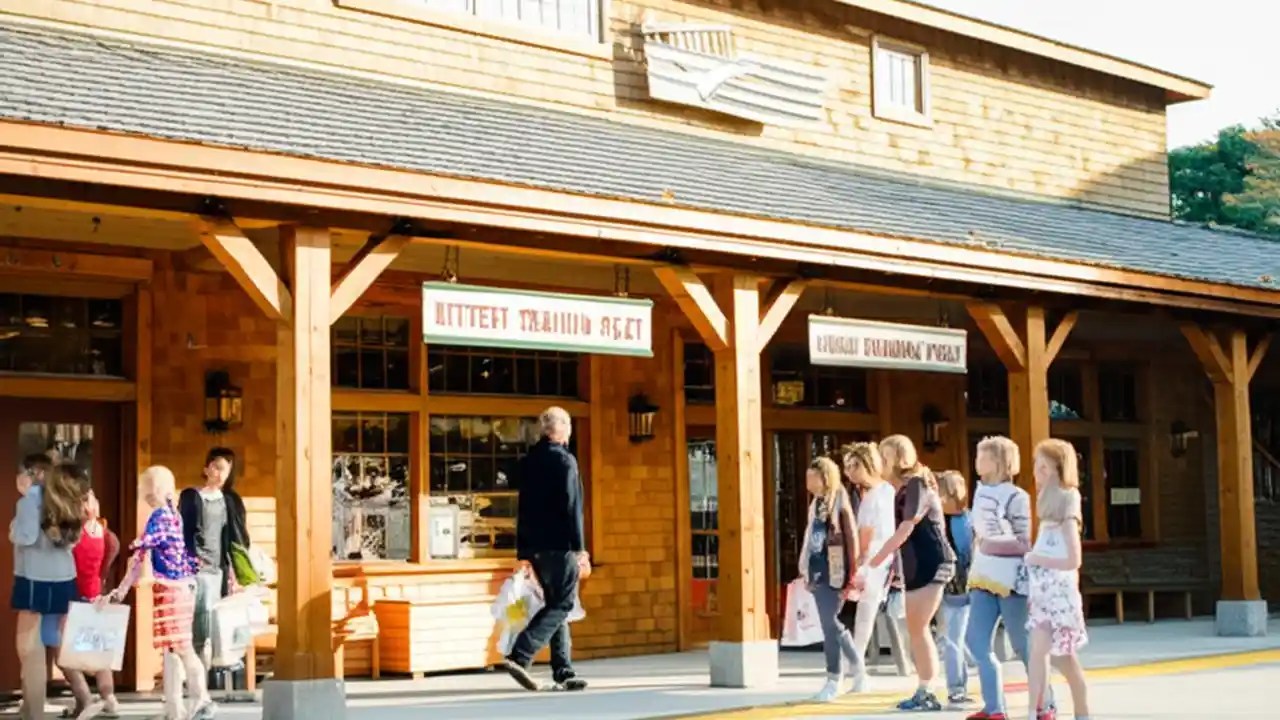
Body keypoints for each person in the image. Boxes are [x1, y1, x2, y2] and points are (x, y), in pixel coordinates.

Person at [101, 465, 211, 720]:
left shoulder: (160, 517)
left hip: (173, 589)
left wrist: (122, 589)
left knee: (181, 648)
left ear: (163, 490)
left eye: (150, 489)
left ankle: (201, 698)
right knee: (172, 651)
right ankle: (174, 708)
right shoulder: (173, 515)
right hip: (177, 587)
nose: (147, 495)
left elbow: (140, 554)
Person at [856, 435, 955, 712]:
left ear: (897, 458)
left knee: (919, 628)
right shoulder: (900, 489)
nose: (878, 462)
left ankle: (928, 690)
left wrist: (874, 561)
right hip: (914, 565)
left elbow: (905, 529)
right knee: (916, 628)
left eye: (883, 456)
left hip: (930, 562)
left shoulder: (916, 485)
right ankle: (925, 688)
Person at [964, 436, 1055, 720]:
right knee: (976, 641)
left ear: (999, 461)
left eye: (983, 455)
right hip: (981, 576)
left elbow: (1024, 542)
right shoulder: (977, 493)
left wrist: (990, 545)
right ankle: (994, 708)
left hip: (1012, 580)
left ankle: (1045, 705)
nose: (977, 460)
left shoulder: (1017, 497)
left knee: (1023, 645)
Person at [502, 407, 590, 693]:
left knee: (556, 604)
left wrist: (524, 550)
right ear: (562, 429)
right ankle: (520, 654)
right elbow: (572, 506)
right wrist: (579, 549)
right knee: (562, 604)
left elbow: (523, 505)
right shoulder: (565, 461)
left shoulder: (529, 461)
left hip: (535, 546)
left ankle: (563, 671)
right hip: (559, 544)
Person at [12, 458, 84, 720]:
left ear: (34, 474)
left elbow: (26, 536)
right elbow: (72, 542)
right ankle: (84, 697)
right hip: (64, 578)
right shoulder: (64, 499)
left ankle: (35, 711)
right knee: (54, 639)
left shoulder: (29, 502)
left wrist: (14, 523)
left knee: (29, 649)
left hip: (33, 577)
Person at [1024, 440, 1090, 720]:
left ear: (1056, 470)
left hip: (1060, 592)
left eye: (1042, 468)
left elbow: (1073, 559)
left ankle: (1082, 713)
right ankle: (1033, 711)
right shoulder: (1045, 506)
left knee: (1065, 658)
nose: (1037, 475)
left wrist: (1037, 559)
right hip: (1042, 590)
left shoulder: (1067, 500)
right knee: (1037, 654)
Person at [178, 447, 250, 677]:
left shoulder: (229, 502)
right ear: (206, 468)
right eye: (216, 468)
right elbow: (184, 532)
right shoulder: (192, 497)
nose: (219, 474)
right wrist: (189, 559)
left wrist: (237, 573)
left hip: (217, 570)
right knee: (193, 623)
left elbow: (237, 539)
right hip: (194, 569)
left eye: (225, 470)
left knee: (210, 623)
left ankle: (207, 675)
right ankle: (195, 675)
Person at [798, 457, 860, 702]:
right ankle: (858, 668)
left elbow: (851, 537)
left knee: (829, 624)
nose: (808, 482)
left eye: (812, 476)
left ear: (824, 477)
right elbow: (809, 538)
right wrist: (805, 568)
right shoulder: (817, 504)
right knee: (832, 623)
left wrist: (853, 574)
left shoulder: (839, 500)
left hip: (835, 570)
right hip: (817, 570)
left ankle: (834, 677)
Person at [839, 441, 897, 693]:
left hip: (871, 561)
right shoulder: (887, 491)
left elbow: (865, 535)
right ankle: (855, 669)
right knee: (865, 617)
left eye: (853, 466)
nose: (849, 472)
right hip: (883, 561)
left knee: (859, 617)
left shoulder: (873, 497)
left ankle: (854, 669)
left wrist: (856, 564)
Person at [60, 486, 121, 719]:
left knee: (65, 654)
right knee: (101, 652)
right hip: (97, 597)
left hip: (75, 598)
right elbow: (105, 567)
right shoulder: (106, 535)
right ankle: (109, 699)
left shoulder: (74, 535)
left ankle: (83, 698)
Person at [937, 469, 974, 708]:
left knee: (953, 638)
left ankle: (957, 686)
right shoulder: (960, 519)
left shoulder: (957, 522)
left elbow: (966, 555)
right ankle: (957, 685)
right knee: (954, 638)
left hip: (959, 587)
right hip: (951, 586)